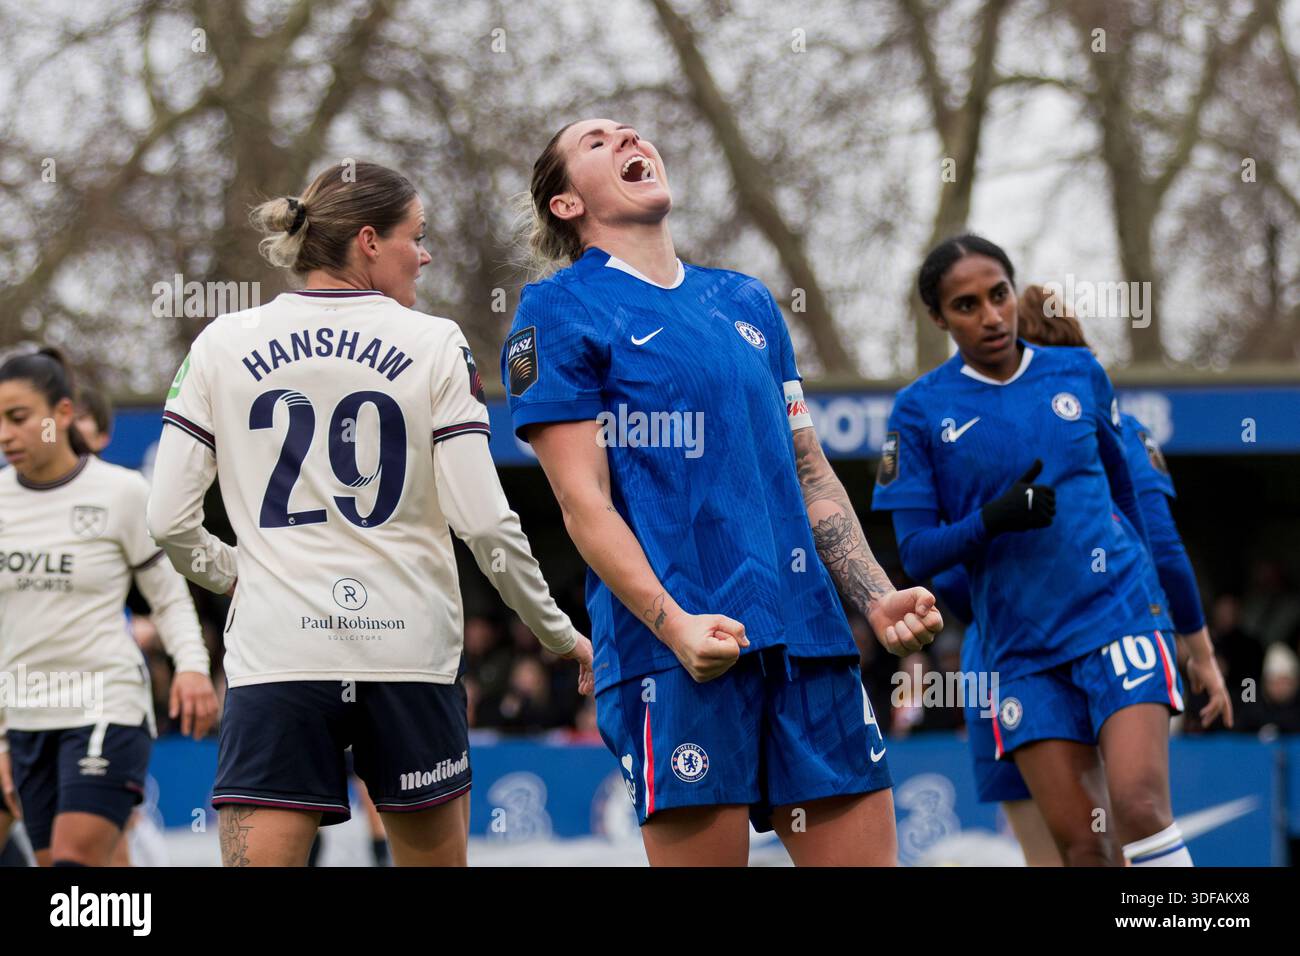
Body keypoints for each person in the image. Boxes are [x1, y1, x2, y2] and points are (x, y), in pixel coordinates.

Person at [504, 118, 942, 866]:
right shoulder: (558, 312)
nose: (628, 137)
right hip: (676, 658)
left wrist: (874, 596)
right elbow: (584, 506)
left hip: (808, 642)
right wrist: (673, 624)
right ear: (566, 204)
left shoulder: (746, 301)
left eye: (631, 130)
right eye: (598, 142)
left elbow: (808, 471)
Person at [146, 160, 593, 867]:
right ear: (368, 242)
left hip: (278, 654)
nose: (427, 252)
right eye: (417, 236)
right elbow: (484, 525)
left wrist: (240, 577)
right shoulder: (436, 341)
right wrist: (560, 635)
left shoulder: (219, 344)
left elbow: (168, 518)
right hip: (407, 653)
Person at [872, 234, 1193, 867]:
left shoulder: (1078, 373)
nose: (991, 316)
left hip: (1117, 620)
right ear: (938, 318)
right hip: (1020, 654)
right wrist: (990, 521)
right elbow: (915, 554)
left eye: (999, 295)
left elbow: (1127, 495)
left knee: (1140, 809)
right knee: (1083, 848)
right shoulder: (919, 410)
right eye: (966, 306)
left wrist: (1163, 607)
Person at [929, 285, 1234, 866]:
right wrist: (1200, 652)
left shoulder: (973, 442)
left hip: (999, 664)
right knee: (1128, 832)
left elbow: (946, 576)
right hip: (1104, 638)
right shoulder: (1109, 429)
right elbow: (1162, 551)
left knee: (1063, 855)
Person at [0, 348, 217, 866]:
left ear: (64, 414)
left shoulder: (120, 492)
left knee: (76, 862)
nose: (6, 434)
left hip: (105, 705)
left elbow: (169, 598)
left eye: (19, 418)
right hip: (25, 716)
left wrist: (190, 667)